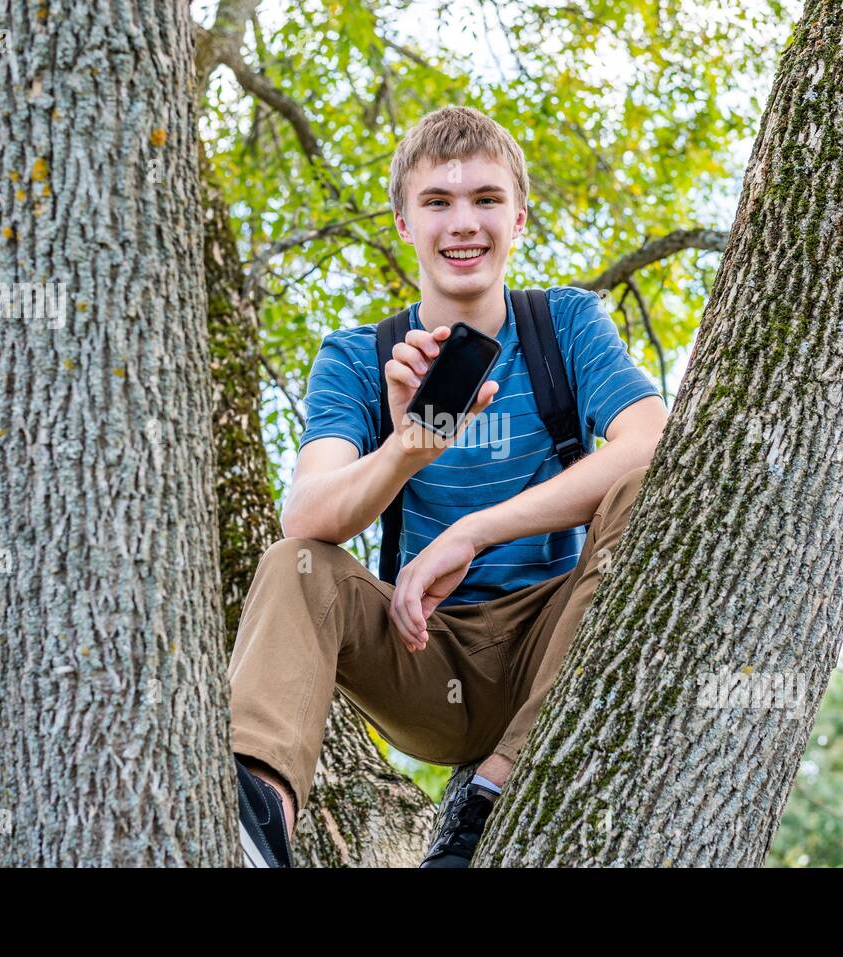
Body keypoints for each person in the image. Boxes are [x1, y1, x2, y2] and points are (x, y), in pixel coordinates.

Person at [230, 105, 668, 868]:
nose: (463, 223)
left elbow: (653, 442)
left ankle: (491, 793)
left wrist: (472, 531)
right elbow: (306, 512)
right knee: (297, 565)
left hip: (555, 647)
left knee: (644, 490)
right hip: (422, 653)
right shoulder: (358, 357)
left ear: (520, 217)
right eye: (438, 201)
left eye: (485, 199)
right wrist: (407, 447)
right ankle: (254, 817)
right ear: (404, 221)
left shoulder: (563, 324)